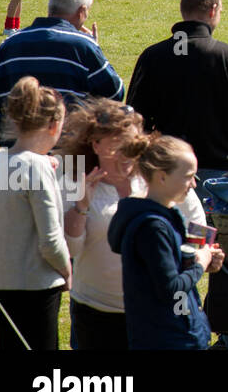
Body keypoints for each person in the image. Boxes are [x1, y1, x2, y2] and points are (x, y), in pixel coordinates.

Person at [60, 99, 206, 350]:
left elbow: (198, 229)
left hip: (158, 312)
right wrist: (81, 206)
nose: (127, 155)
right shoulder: (75, 180)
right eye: (118, 146)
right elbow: (70, 251)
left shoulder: (161, 177)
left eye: (133, 144)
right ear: (96, 144)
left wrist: (202, 258)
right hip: (97, 311)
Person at [126, 0, 228, 174]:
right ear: (213, 10)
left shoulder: (152, 55)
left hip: (166, 168)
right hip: (217, 168)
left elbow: (136, 117)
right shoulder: (227, 56)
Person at [107, 134, 223, 349]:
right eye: (188, 176)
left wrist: (198, 260)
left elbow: (168, 269)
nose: (194, 184)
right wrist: (200, 263)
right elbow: (171, 288)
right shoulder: (153, 227)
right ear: (161, 177)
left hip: (176, 329)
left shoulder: (166, 215)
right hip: (168, 337)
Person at [0, 77, 71, 350]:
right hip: (35, 292)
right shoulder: (38, 168)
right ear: (54, 126)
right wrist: (68, 272)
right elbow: (51, 240)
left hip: (0, 287)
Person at [0, 0, 123, 142]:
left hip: (18, 156)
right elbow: (115, 93)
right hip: (70, 155)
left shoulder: (9, 44)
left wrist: (7, 139)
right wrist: (95, 49)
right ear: (82, 11)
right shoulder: (83, 46)